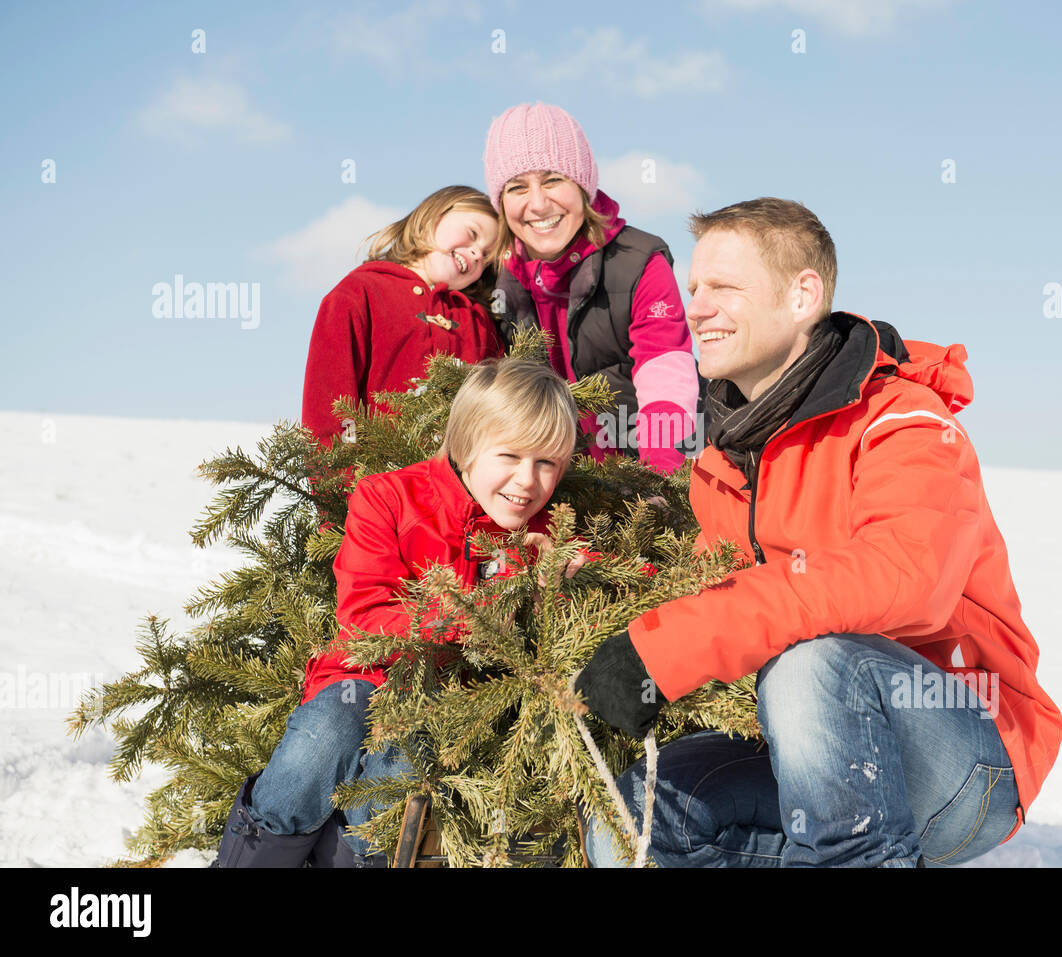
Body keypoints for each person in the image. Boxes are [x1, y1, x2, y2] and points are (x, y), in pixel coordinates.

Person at [575, 198, 1062, 867]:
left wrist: (672, 648)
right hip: (811, 758)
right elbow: (714, 589)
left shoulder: (904, 421)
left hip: (965, 756)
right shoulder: (724, 458)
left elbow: (906, 576)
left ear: (803, 294)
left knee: (815, 661)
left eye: (724, 287)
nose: (696, 307)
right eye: (693, 289)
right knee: (637, 813)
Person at [217, 358, 585, 867]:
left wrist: (564, 579)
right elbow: (365, 616)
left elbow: (607, 578)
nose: (528, 481)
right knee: (324, 738)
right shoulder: (387, 497)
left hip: (445, 704)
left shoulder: (543, 534)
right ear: (466, 445)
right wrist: (478, 607)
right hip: (361, 676)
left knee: (398, 767)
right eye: (510, 456)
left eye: (548, 463)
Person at [482, 102, 702, 474]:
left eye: (553, 180)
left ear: (583, 186)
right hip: (547, 483)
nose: (537, 204)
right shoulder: (494, 277)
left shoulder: (639, 261)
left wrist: (659, 479)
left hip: (636, 470)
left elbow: (664, 375)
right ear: (501, 203)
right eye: (518, 188)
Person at [301, 185, 505, 446]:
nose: (477, 254)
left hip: (453, 483)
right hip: (373, 480)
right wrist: (339, 484)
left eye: (487, 257)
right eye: (473, 233)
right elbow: (329, 402)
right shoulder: (360, 293)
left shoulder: (477, 322)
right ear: (435, 215)